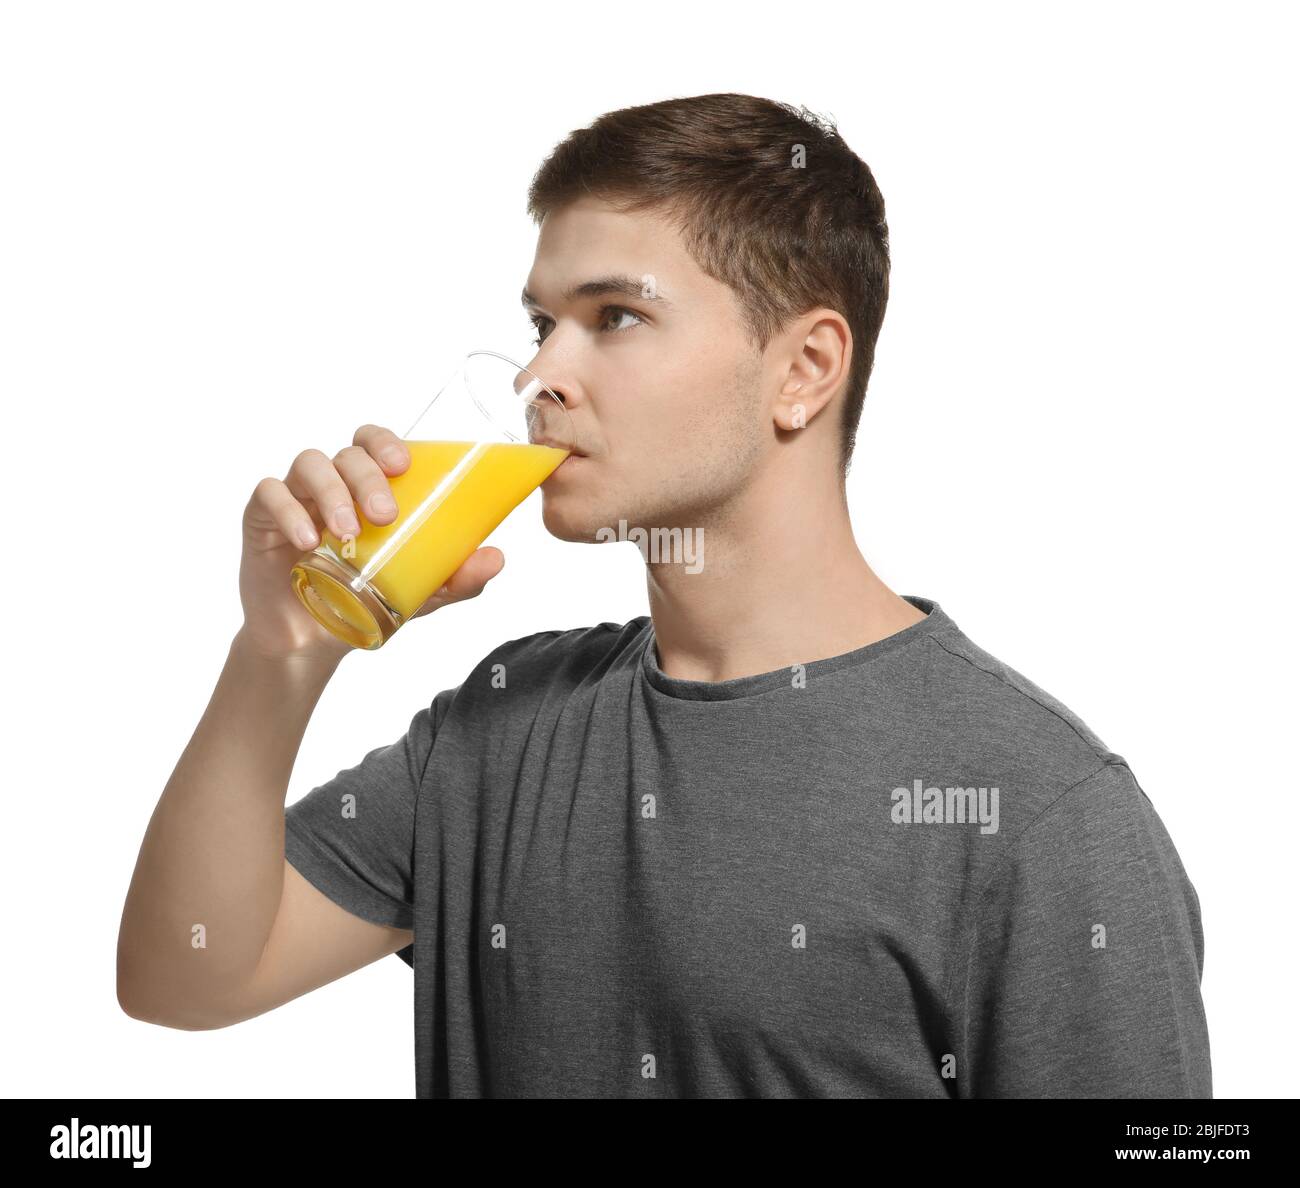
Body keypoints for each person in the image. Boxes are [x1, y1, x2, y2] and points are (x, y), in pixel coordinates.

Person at [117, 92, 1212, 1098]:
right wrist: (282, 652)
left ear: (804, 371)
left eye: (615, 317)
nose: (539, 374)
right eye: (543, 321)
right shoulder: (498, 727)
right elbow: (186, 978)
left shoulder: (1036, 806)